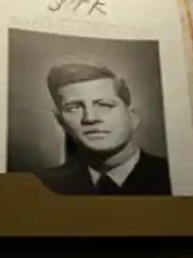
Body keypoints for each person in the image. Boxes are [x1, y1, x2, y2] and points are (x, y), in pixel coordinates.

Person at [34, 62, 171, 196]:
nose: (90, 118)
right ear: (60, 121)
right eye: (74, 108)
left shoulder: (174, 176)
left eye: (105, 105)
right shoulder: (41, 187)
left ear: (133, 116)